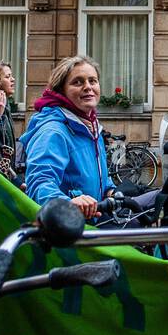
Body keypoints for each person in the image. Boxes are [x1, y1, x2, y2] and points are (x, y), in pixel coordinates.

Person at [21, 55, 115, 219]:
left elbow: (98, 175)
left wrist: (110, 190)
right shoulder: (53, 131)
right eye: (77, 82)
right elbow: (39, 184)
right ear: (61, 91)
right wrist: (69, 203)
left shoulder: (91, 126)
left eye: (92, 81)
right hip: (69, 228)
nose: (88, 87)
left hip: (94, 222)